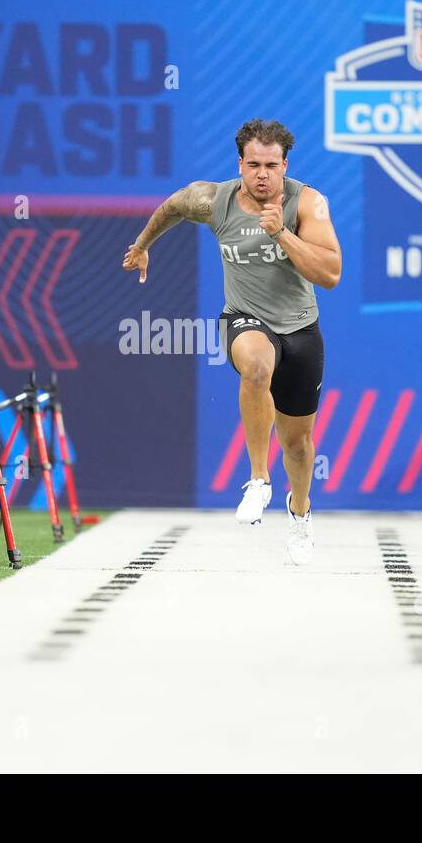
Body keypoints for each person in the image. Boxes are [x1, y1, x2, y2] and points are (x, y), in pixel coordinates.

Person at [121, 119, 342, 565]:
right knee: (257, 366)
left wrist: (282, 232)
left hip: (300, 328)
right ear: (240, 164)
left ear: (286, 166)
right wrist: (144, 244)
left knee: (298, 446)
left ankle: (300, 513)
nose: (263, 174)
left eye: (272, 166)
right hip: (244, 318)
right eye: (254, 165)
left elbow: (331, 274)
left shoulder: (308, 202)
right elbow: (172, 207)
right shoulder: (213, 200)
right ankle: (258, 480)